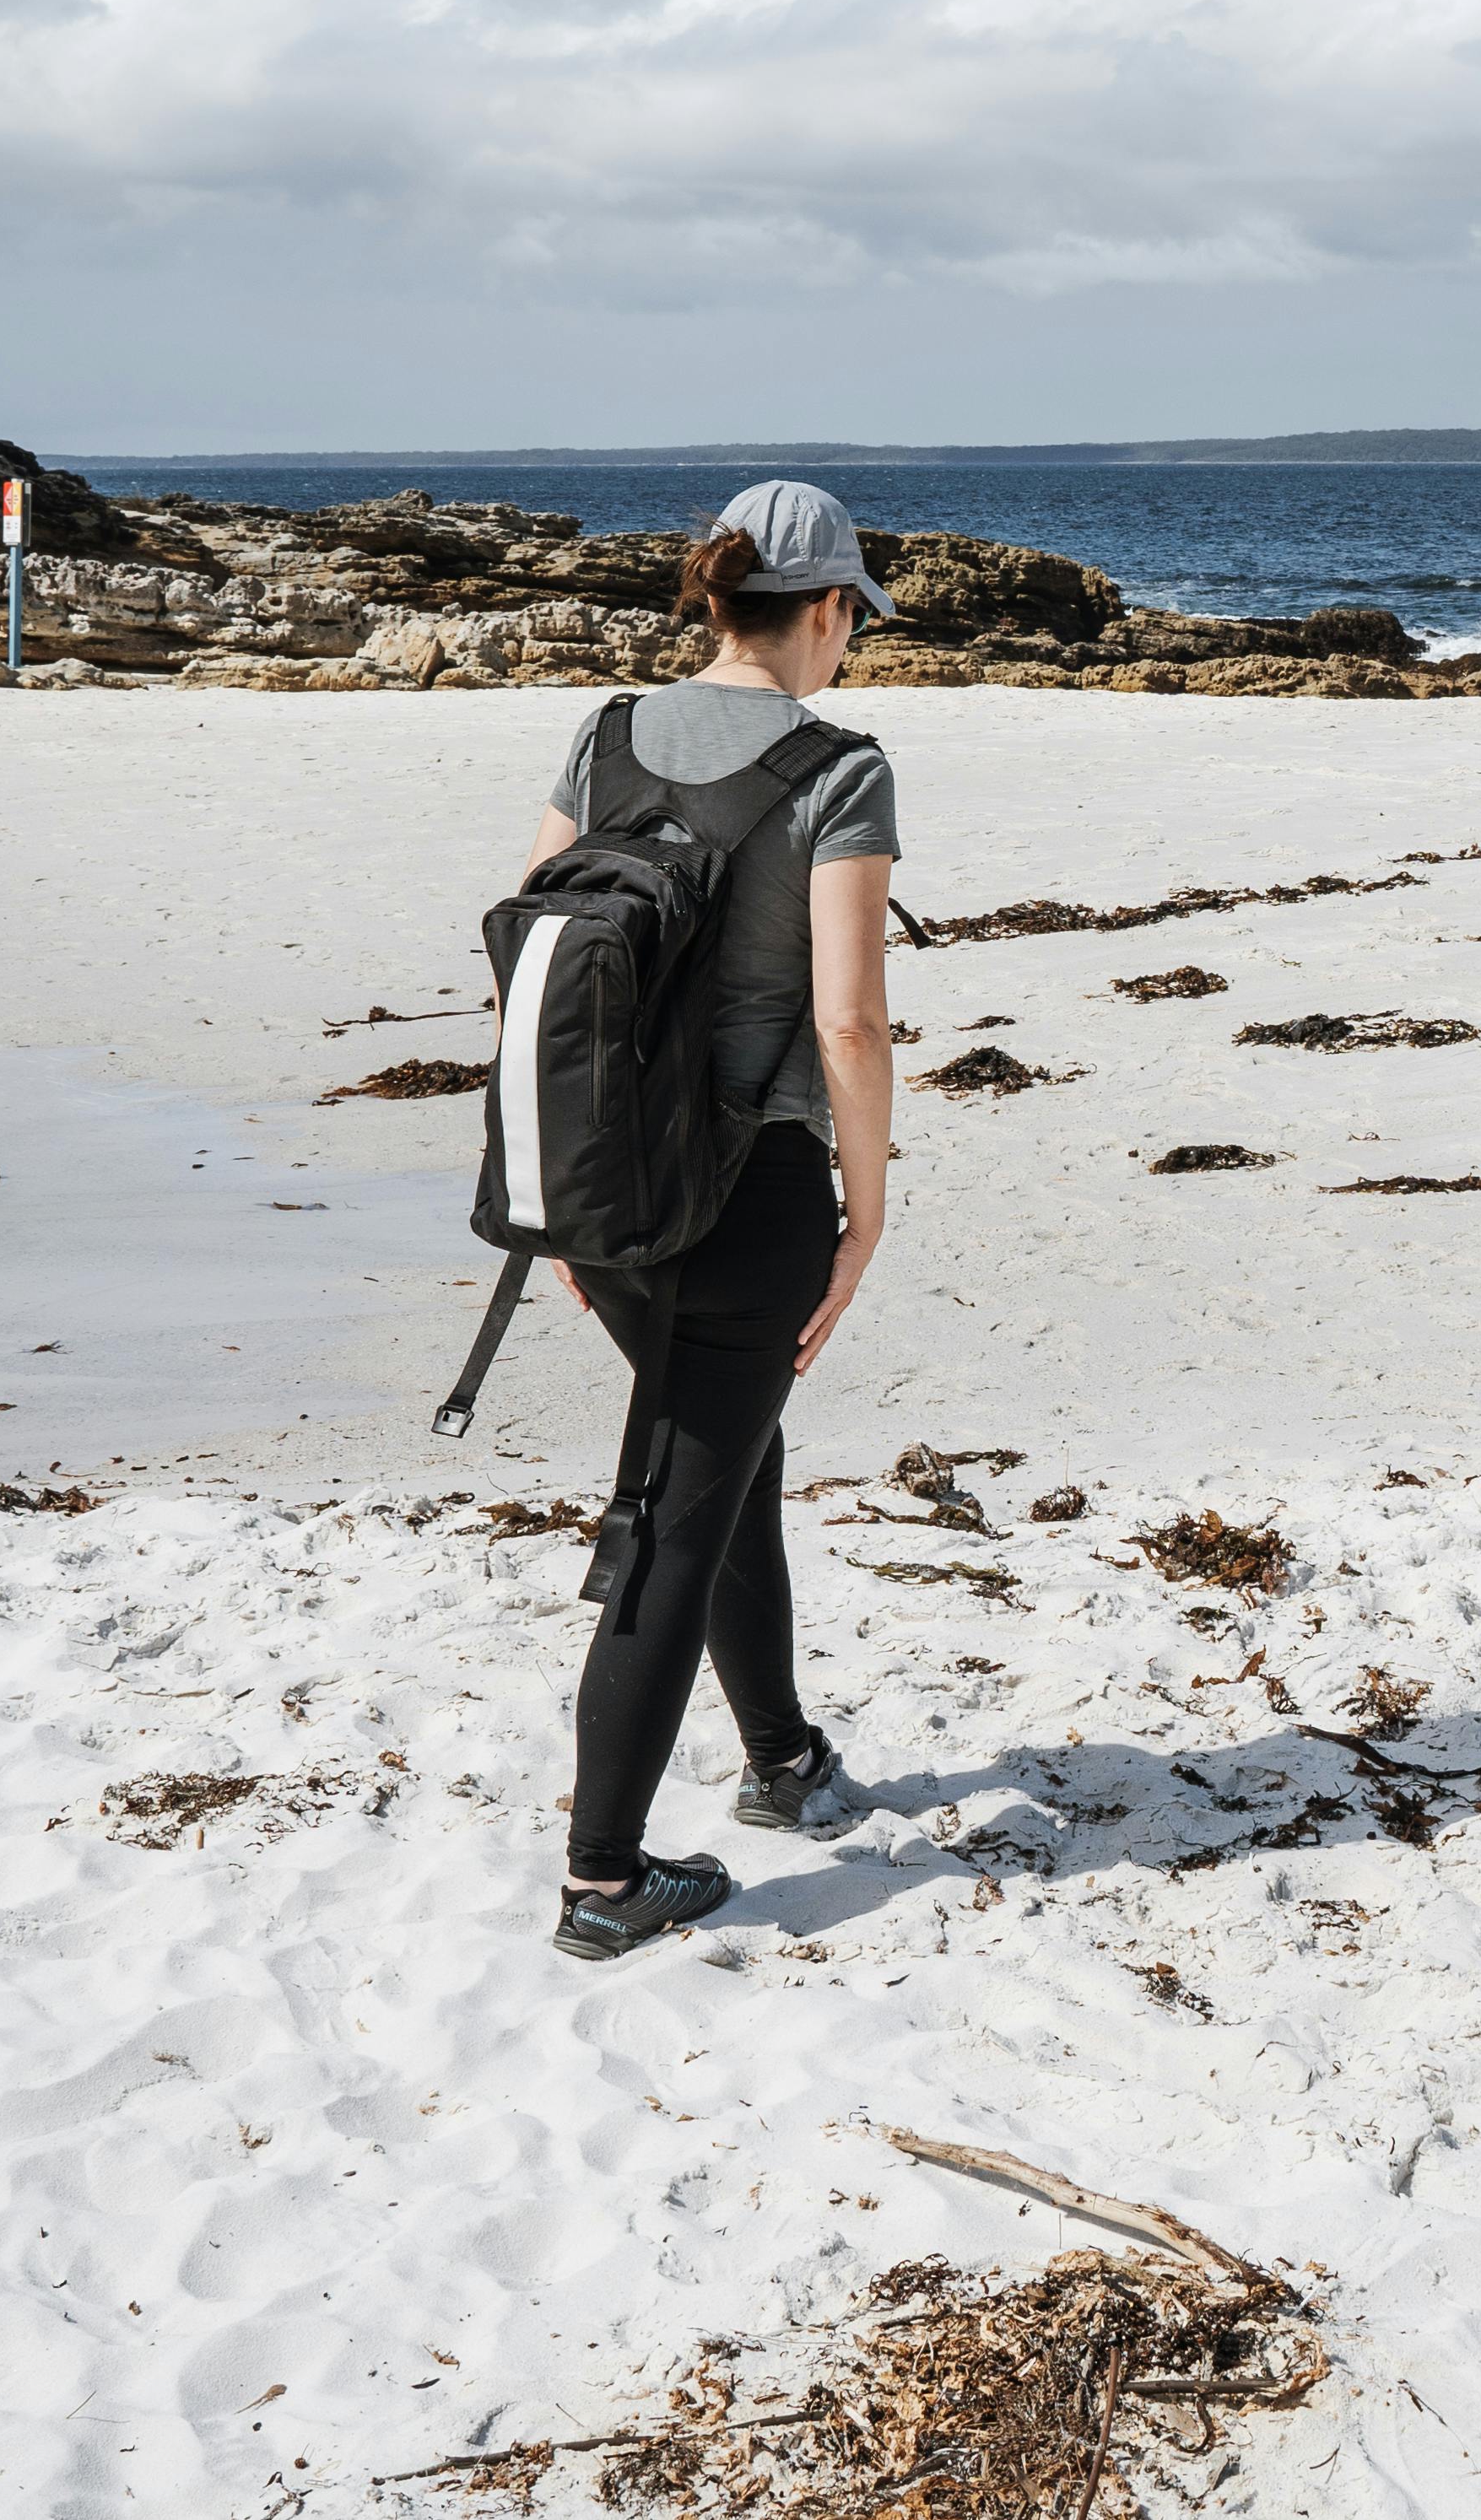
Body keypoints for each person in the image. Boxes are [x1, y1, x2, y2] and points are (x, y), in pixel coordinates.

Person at [529, 478, 900, 1961]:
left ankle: (783, 1760)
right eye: (850, 625)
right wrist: (862, 1218)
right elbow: (852, 1021)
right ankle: (604, 1880)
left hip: (606, 1186)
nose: (849, 652)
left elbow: (530, 974)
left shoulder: (603, 733)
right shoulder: (841, 766)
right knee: (677, 1509)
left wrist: (560, 1197)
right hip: (747, 1196)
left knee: (728, 1455)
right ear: (820, 611)